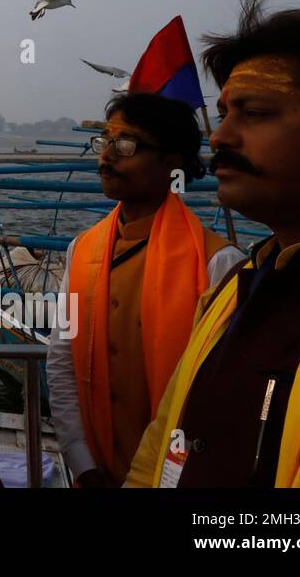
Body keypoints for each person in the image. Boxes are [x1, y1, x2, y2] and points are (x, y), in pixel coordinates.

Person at [126, 0, 300, 487]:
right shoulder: (235, 288)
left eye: (256, 113)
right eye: (223, 114)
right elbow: (158, 451)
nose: (219, 138)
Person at [46, 93, 243, 487]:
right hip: (96, 466)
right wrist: (82, 462)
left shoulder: (217, 263)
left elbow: (220, 397)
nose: (106, 157)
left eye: (126, 145)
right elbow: (62, 359)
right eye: (104, 142)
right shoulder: (81, 250)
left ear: (171, 162)